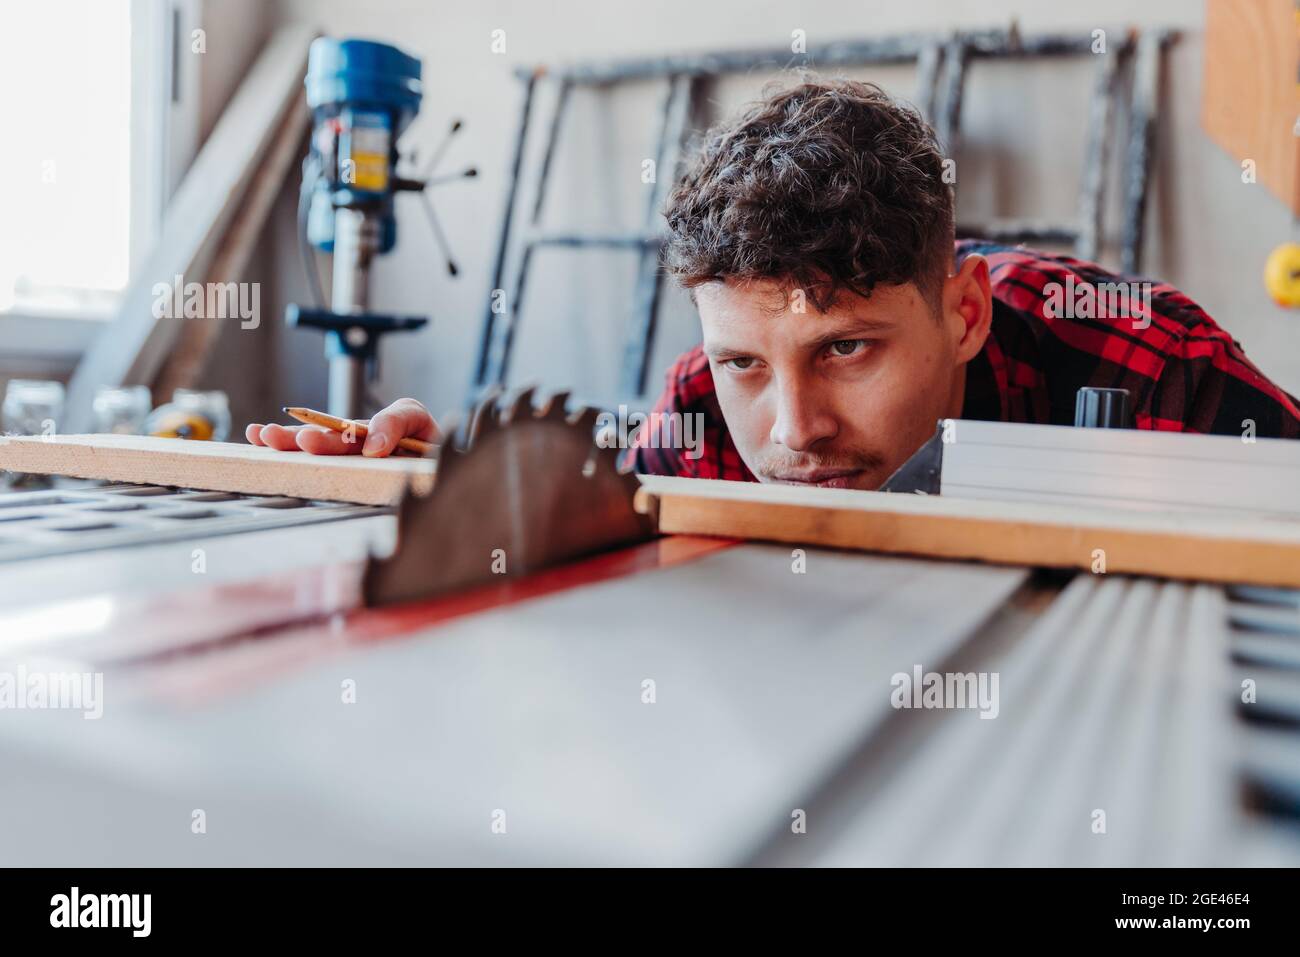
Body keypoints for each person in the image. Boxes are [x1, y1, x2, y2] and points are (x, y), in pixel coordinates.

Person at [248, 79, 1300, 489]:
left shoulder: (1151, 366)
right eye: (744, 360)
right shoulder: (707, 413)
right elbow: (592, 517)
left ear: (963, 311)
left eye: (846, 349)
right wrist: (450, 482)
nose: (793, 431)